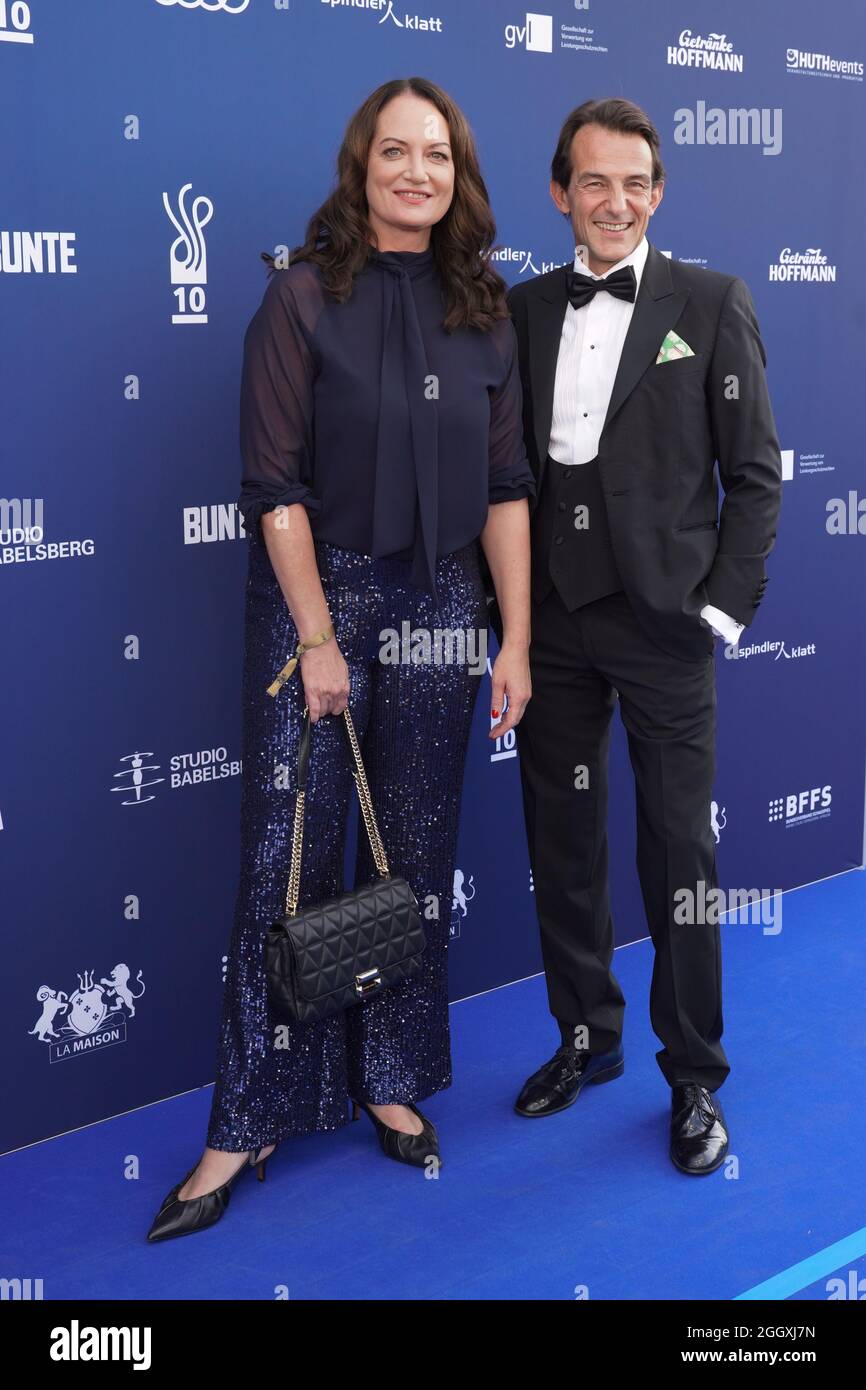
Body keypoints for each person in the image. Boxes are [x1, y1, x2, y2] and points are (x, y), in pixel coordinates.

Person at [147, 76, 535, 1242]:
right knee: (286, 857)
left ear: (457, 174)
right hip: (318, 601)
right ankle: (246, 1119)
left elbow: (509, 486)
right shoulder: (301, 297)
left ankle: (389, 1076)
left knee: (413, 852)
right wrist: (316, 635)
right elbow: (272, 488)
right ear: (359, 164)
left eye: (438, 156)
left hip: (443, 598)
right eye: (394, 152)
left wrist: (513, 634)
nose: (416, 172)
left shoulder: (486, 309)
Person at [494, 97, 782, 1175]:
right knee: (562, 849)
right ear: (560, 192)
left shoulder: (708, 302)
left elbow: (754, 473)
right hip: (554, 627)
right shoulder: (522, 310)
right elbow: (505, 477)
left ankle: (694, 1075)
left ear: (656, 193)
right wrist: (511, 625)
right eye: (591, 181)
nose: (613, 201)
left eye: (634, 183)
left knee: (679, 855)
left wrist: (718, 607)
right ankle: (584, 1039)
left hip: (664, 628)